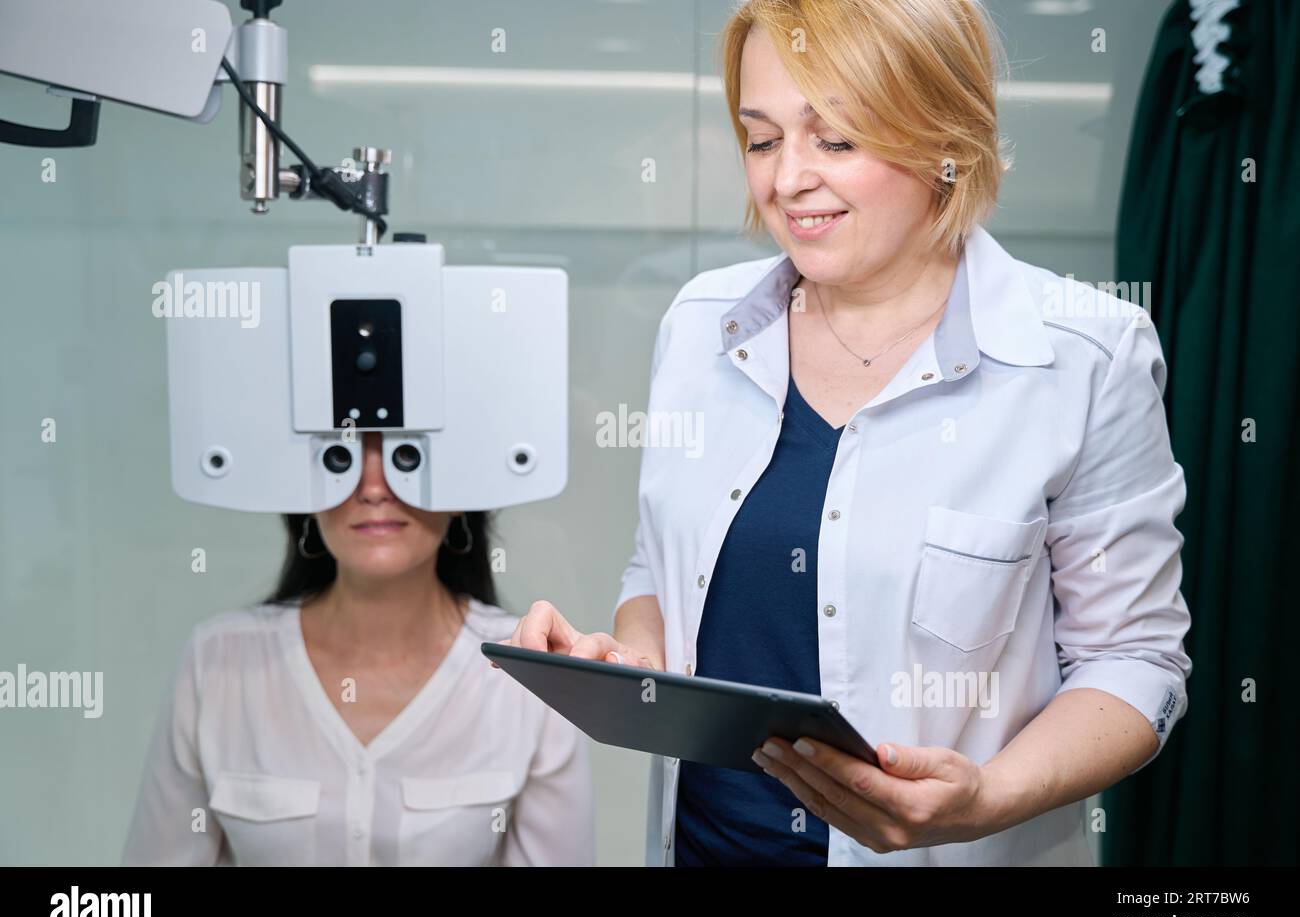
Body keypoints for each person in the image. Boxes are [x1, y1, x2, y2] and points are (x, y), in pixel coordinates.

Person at [504, 0, 1192, 866]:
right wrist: (627, 662)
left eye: (835, 140)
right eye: (762, 139)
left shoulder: (1085, 357)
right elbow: (660, 570)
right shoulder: (699, 326)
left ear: (945, 138)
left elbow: (1136, 662)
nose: (787, 179)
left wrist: (986, 801)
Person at [124, 432, 593, 866]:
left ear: (460, 484)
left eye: (407, 455)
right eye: (339, 456)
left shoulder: (528, 672)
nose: (373, 488)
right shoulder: (219, 662)